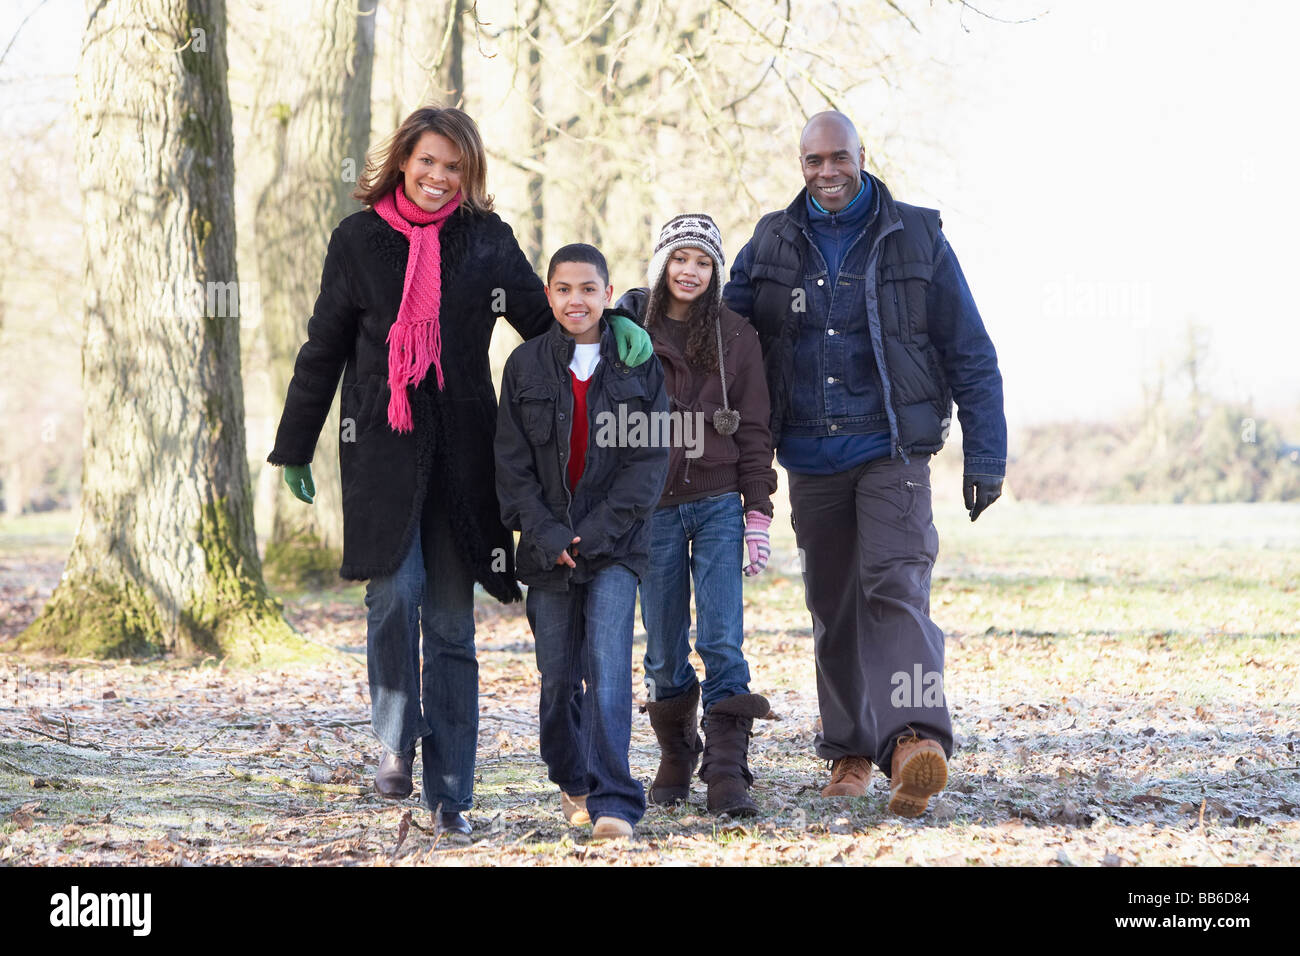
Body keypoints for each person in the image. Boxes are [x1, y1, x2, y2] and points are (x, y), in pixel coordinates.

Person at [266, 108, 653, 839]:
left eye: (455, 168)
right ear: (403, 160)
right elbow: (324, 346)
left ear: (469, 175)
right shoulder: (358, 242)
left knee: (450, 626)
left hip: (467, 455)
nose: (440, 178)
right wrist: (294, 444)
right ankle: (393, 736)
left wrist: (618, 319)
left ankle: (451, 794)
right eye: (429, 162)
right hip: (382, 448)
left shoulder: (486, 242)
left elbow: (548, 319)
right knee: (395, 592)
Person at [723, 111, 1007, 818]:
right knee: (834, 603)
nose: (826, 171)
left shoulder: (915, 236)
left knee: (895, 586)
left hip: (892, 449)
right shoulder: (771, 243)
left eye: (838, 157)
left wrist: (987, 452)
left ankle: (914, 740)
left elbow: (970, 349)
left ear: (861, 156)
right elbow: (723, 342)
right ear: (800, 162)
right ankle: (849, 748)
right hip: (812, 457)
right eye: (813, 159)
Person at [495, 243, 670, 842]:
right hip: (546, 552)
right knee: (557, 676)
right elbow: (511, 467)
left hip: (615, 547)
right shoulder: (524, 366)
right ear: (549, 295)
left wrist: (591, 535)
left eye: (588, 289)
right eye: (564, 289)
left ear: (606, 292)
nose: (577, 300)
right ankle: (572, 782)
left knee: (607, 663)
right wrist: (548, 534)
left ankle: (615, 800)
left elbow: (649, 465)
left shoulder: (638, 366)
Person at [615, 214, 778, 817]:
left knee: (720, 638)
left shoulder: (737, 335)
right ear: (662, 264)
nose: (691, 271)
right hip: (653, 506)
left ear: (716, 272)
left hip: (716, 503)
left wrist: (756, 513)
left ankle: (728, 770)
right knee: (661, 649)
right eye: (680, 258)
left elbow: (756, 428)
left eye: (703, 261)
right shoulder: (631, 328)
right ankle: (678, 751)